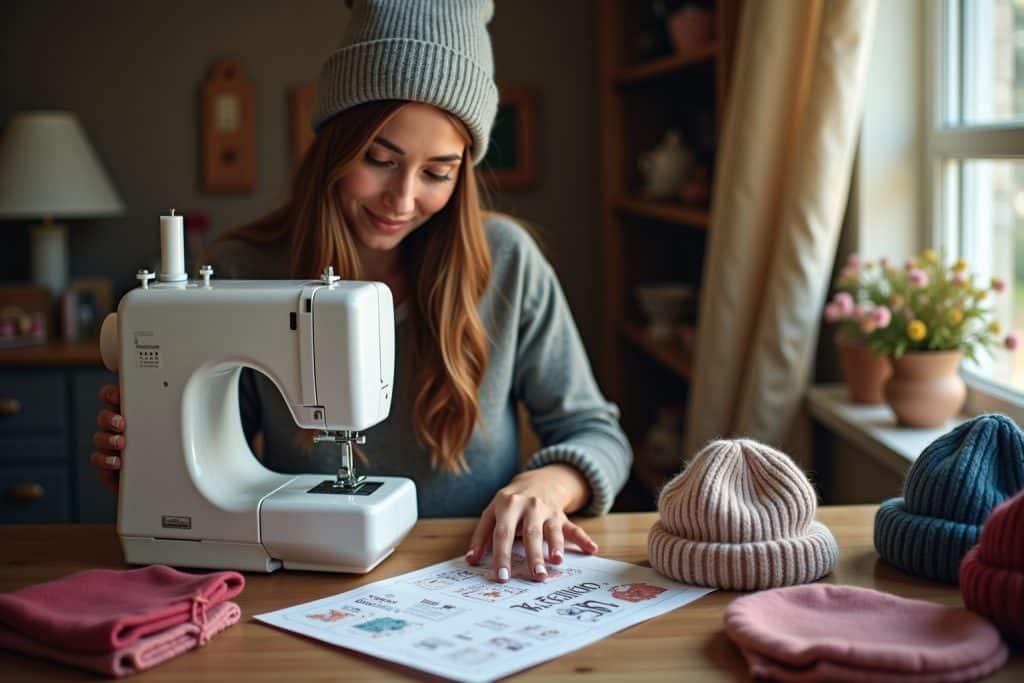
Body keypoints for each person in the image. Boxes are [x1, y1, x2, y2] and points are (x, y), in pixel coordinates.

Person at [90, 0, 631, 584]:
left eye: (437, 172)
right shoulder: (241, 266)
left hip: (474, 573)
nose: (401, 199)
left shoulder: (508, 264)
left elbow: (595, 433)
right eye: (379, 159)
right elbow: (200, 452)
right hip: (301, 581)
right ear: (334, 144)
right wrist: (153, 460)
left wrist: (545, 485)